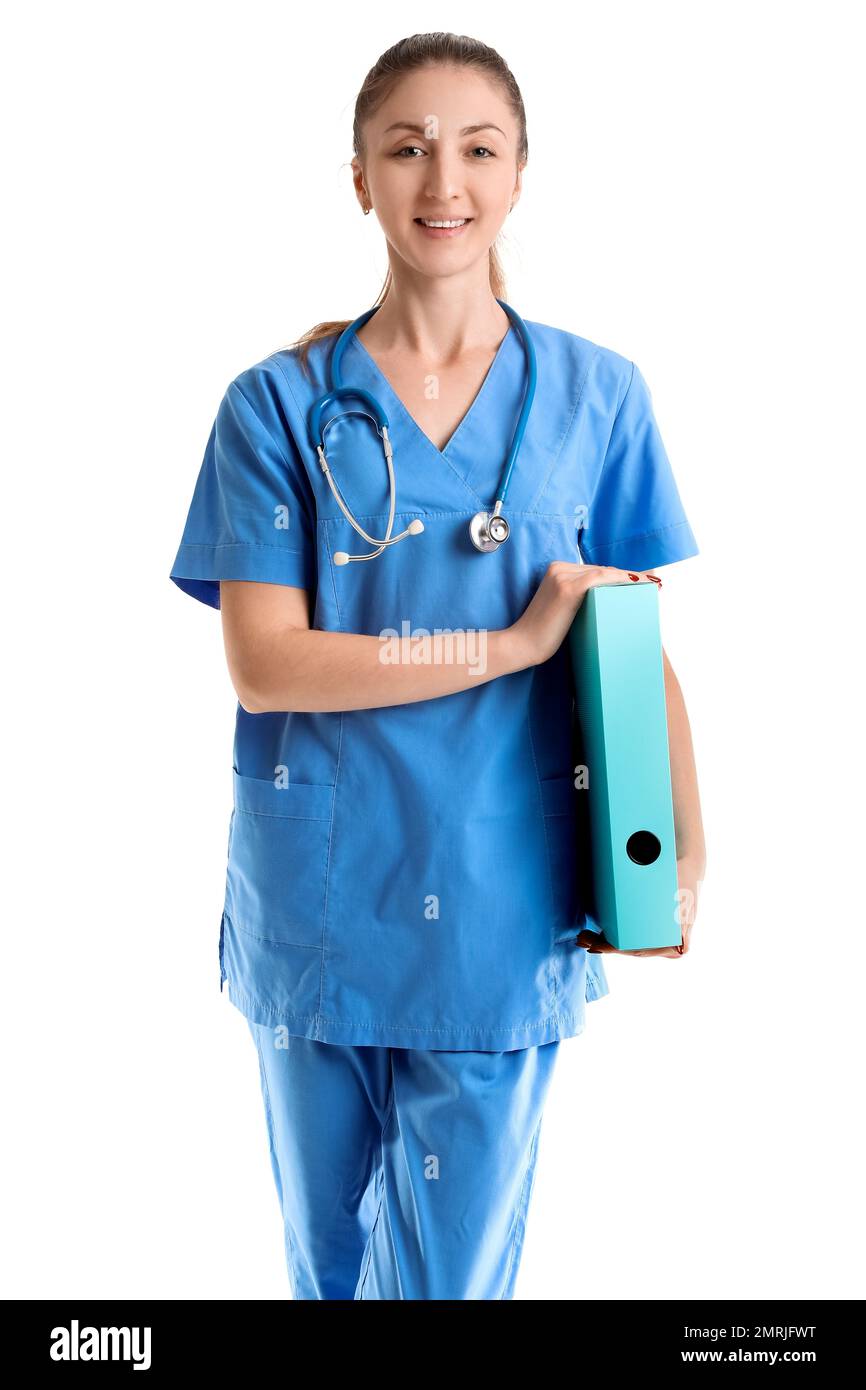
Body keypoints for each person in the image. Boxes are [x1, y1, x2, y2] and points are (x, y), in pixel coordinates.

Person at [169, 32, 706, 1301]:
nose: (441, 180)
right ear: (358, 176)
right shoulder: (277, 405)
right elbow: (265, 664)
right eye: (405, 147)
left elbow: (633, 647)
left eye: (477, 148)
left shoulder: (598, 395)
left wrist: (682, 850)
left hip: (500, 897)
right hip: (321, 900)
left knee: (453, 1283)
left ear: (518, 176)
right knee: (325, 1264)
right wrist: (506, 644)